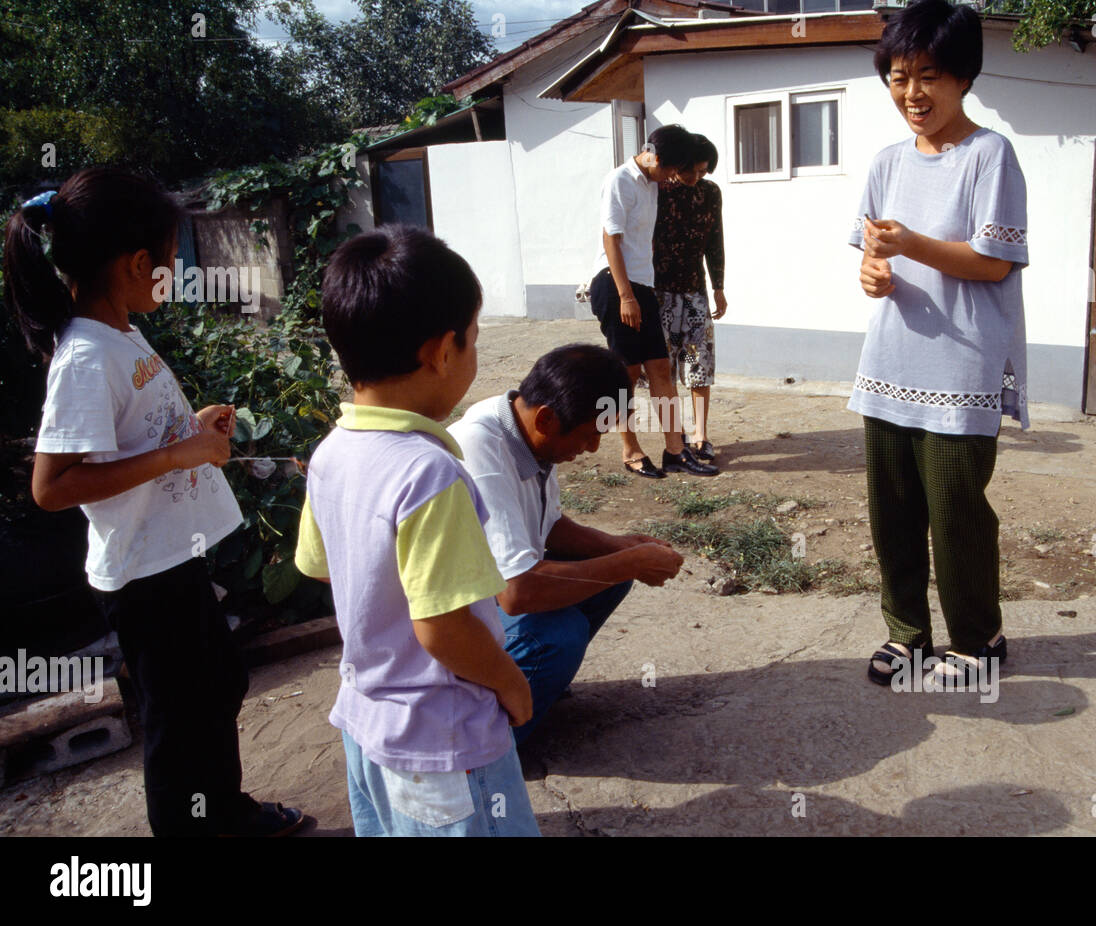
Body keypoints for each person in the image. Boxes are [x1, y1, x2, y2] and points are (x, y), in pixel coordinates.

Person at [7, 168, 304, 836]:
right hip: (141, 576)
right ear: (137, 263)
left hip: (171, 558)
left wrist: (190, 430)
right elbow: (51, 487)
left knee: (218, 685)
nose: (173, 272)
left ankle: (221, 812)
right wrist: (177, 455)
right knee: (179, 720)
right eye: (171, 260)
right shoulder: (85, 356)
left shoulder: (121, 335)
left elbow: (129, 439)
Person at [295, 226, 539, 837]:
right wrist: (512, 684)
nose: (476, 354)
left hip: (366, 726)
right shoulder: (430, 473)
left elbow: (321, 566)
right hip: (446, 741)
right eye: (474, 338)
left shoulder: (330, 452)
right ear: (440, 352)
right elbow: (444, 627)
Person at [849, 0, 1028, 689]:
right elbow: (870, 259)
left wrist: (913, 243)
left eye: (928, 75)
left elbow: (994, 263)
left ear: (963, 77)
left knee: (956, 513)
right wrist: (872, 273)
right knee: (891, 513)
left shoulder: (990, 156)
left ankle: (979, 641)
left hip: (961, 365)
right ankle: (907, 635)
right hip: (890, 362)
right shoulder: (885, 163)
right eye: (898, 77)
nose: (912, 94)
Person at [449, 344, 685, 743]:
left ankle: (535, 685)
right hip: (452, 621)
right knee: (558, 635)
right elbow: (516, 591)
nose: (592, 449)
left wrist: (620, 548)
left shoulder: (521, 423)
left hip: (486, 589)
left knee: (608, 570)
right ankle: (488, 742)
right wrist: (630, 562)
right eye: (590, 436)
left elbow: (549, 526)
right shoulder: (481, 448)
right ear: (546, 419)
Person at [590, 123, 718, 478]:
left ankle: (675, 451)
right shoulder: (620, 181)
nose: (672, 179)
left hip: (644, 286)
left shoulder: (652, 184)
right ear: (653, 157)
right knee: (625, 375)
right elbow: (610, 240)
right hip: (616, 286)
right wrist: (625, 296)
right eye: (670, 171)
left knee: (660, 370)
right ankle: (630, 451)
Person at [652, 132, 727, 463]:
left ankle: (701, 434)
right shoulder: (658, 190)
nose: (695, 178)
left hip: (695, 292)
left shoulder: (710, 193)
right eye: (689, 171)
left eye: (702, 171)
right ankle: (675, 435)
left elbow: (715, 240)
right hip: (660, 292)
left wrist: (718, 286)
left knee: (700, 365)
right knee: (663, 369)